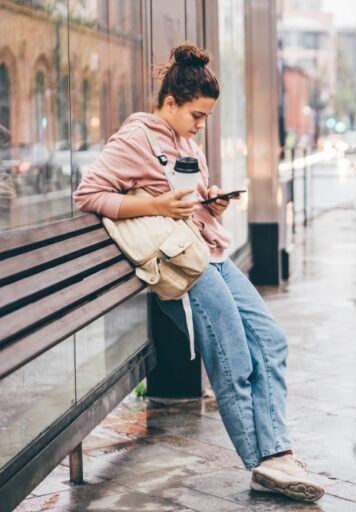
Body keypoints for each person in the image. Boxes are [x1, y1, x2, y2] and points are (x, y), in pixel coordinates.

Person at [73, 42, 324, 503]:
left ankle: (277, 453)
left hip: (210, 253)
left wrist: (211, 201)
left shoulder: (184, 141)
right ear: (170, 103)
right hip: (182, 266)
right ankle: (264, 461)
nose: (200, 126)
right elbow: (88, 194)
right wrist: (155, 204)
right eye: (196, 116)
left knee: (270, 341)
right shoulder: (135, 139)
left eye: (204, 118)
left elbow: (189, 204)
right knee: (233, 357)